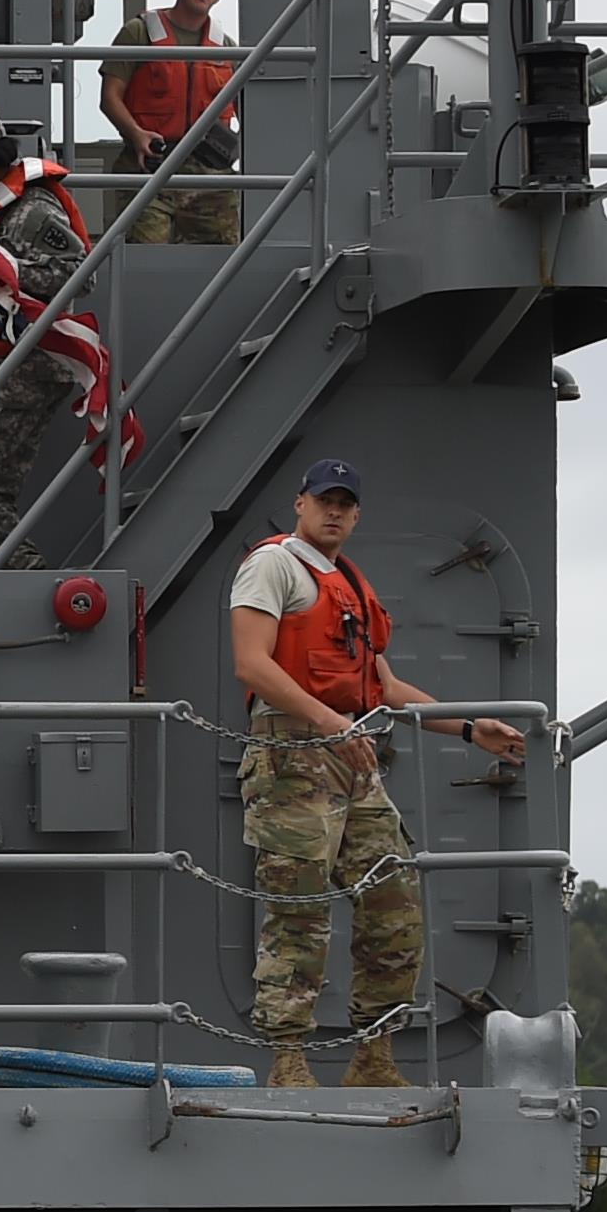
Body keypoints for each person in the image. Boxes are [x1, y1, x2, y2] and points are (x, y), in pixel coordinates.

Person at [227, 458, 525, 1087]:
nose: (334, 511)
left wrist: (472, 728)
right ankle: (287, 1061)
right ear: (301, 503)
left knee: (395, 904)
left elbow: (383, 688)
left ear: (357, 514)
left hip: (352, 761)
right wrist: (332, 724)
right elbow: (253, 665)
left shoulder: (351, 585)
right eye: (323, 499)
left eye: (345, 503)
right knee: (298, 913)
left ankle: (374, 1058)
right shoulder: (275, 565)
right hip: (292, 758)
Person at [0, 105, 132, 569]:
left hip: (27, 363)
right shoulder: (7, 208)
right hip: (26, 358)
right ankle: (27, 580)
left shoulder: (31, 208)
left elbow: (77, 274)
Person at [93, 0, 243, 246]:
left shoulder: (226, 48)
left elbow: (248, 108)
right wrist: (136, 135)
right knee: (145, 261)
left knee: (221, 263)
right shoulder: (139, 33)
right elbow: (110, 98)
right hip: (149, 164)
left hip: (209, 173)